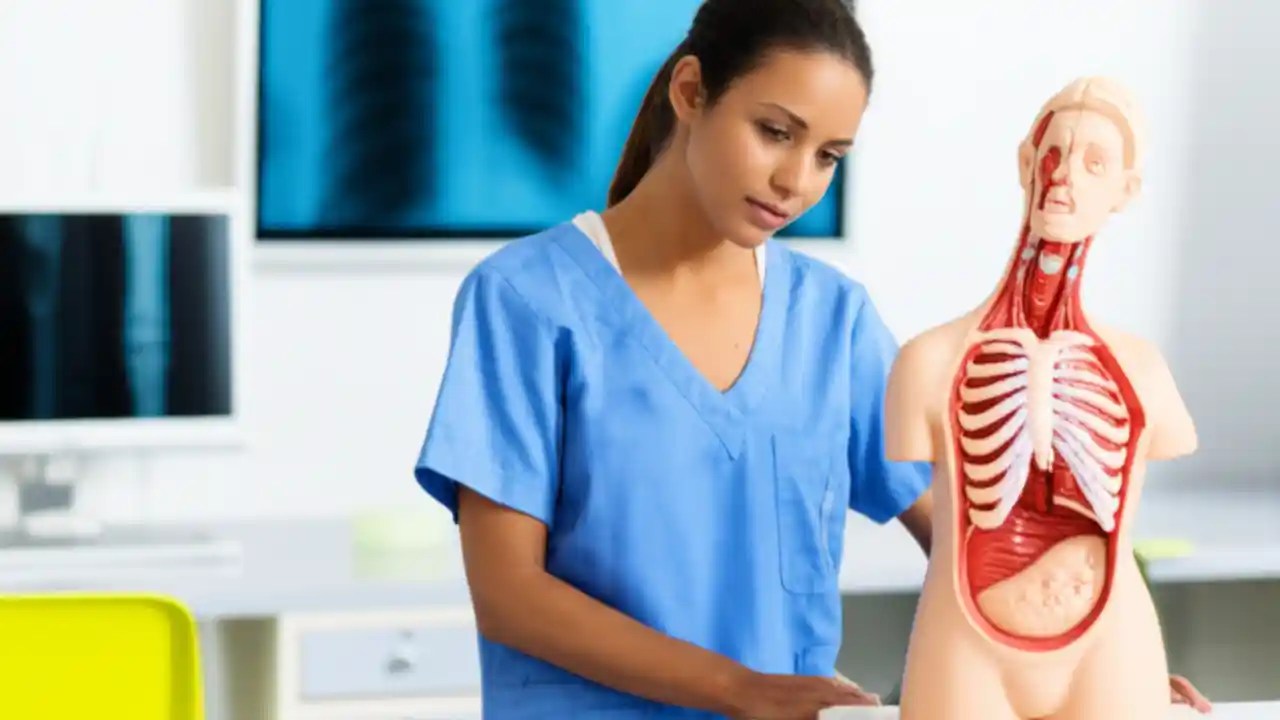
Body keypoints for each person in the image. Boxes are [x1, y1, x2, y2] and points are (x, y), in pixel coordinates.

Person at [412, 1, 1207, 718]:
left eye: (829, 156)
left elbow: (970, 537)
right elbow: (509, 595)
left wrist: (1094, 653)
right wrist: (736, 689)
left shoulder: (831, 320)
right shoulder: (526, 300)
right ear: (691, 92)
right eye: (775, 132)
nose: (797, 182)